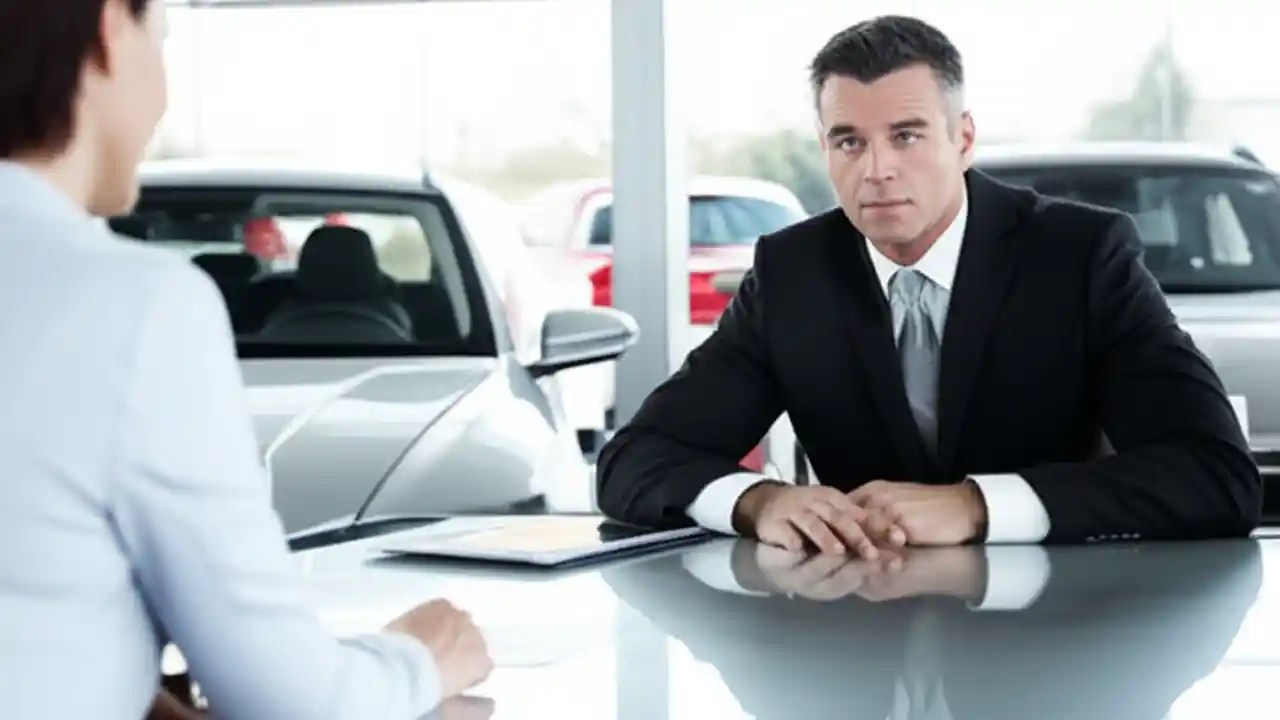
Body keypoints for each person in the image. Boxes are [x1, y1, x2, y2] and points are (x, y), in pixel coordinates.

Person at [596, 15, 1261, 551]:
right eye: (849, 142)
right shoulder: (792, 274)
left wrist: (976, 506)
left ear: (963, 139)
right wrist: (757, 502)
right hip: (855, 636)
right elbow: (634, 460)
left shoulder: (1079, 256)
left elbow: (1217, 476)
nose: (877, 169)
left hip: (1056, 631)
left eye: (907, 136)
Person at [0, 2, 490, 718]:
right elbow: (290, 702)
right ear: (110, 30)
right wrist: (420, 656)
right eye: (160, 37)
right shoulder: (134, 304)